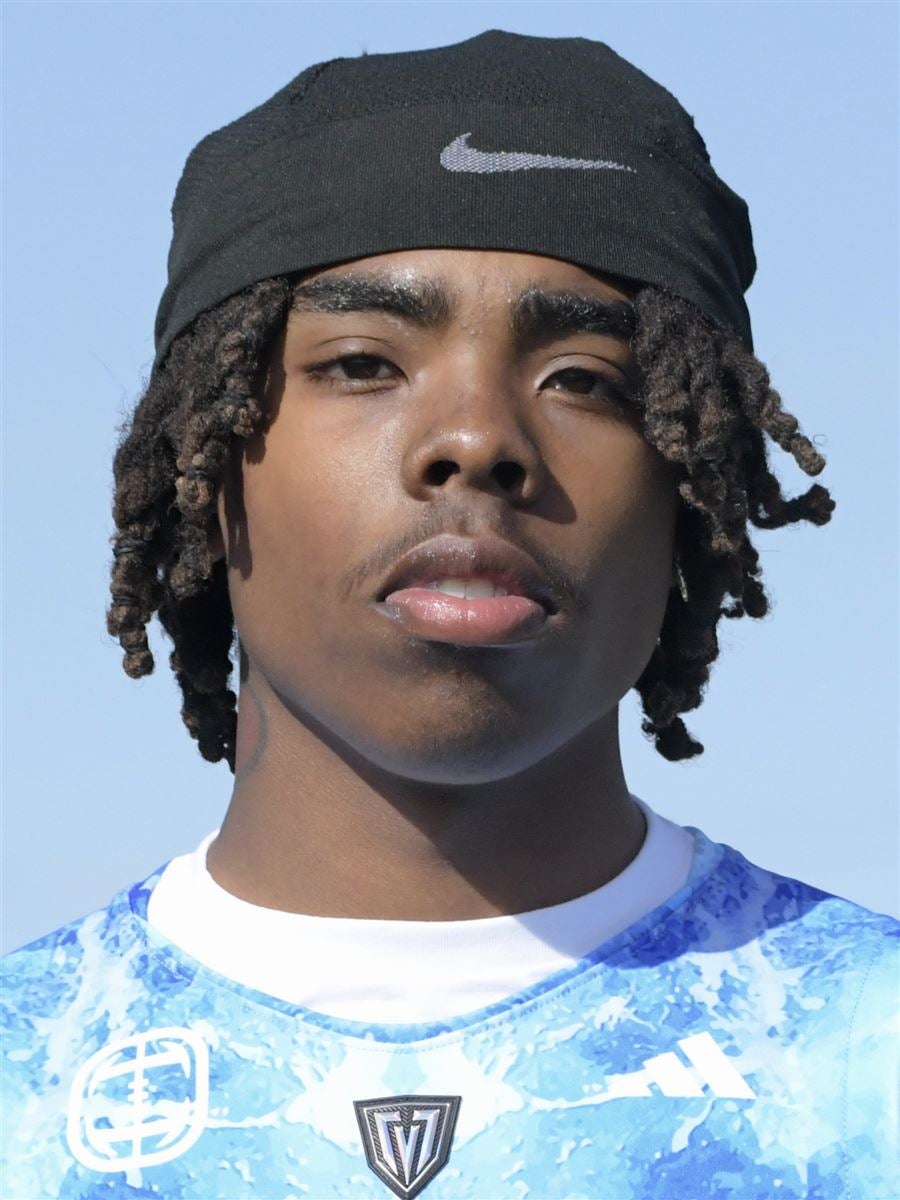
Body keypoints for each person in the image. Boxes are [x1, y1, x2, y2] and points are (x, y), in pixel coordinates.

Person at [2, 29, 896, 1200]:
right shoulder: (28, 1083)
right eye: (364, 364)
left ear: (694, 487)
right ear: (205, 469)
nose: (477, 439)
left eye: (585, 380)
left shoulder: (863, 1057)